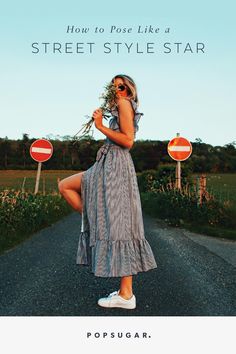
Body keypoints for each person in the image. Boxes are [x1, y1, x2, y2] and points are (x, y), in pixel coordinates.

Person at [58, 74, 157, 310]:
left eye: (121, 87)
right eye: (113, 88)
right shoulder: (119, 107)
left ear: (129, 90)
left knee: (119, 225)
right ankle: (125, 293)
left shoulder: (124, 104)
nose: (117, 91)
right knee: (69, 188)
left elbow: (128, 140)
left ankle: (126, 295)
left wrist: (101, 126)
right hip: (108, 164)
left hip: (116, 166)